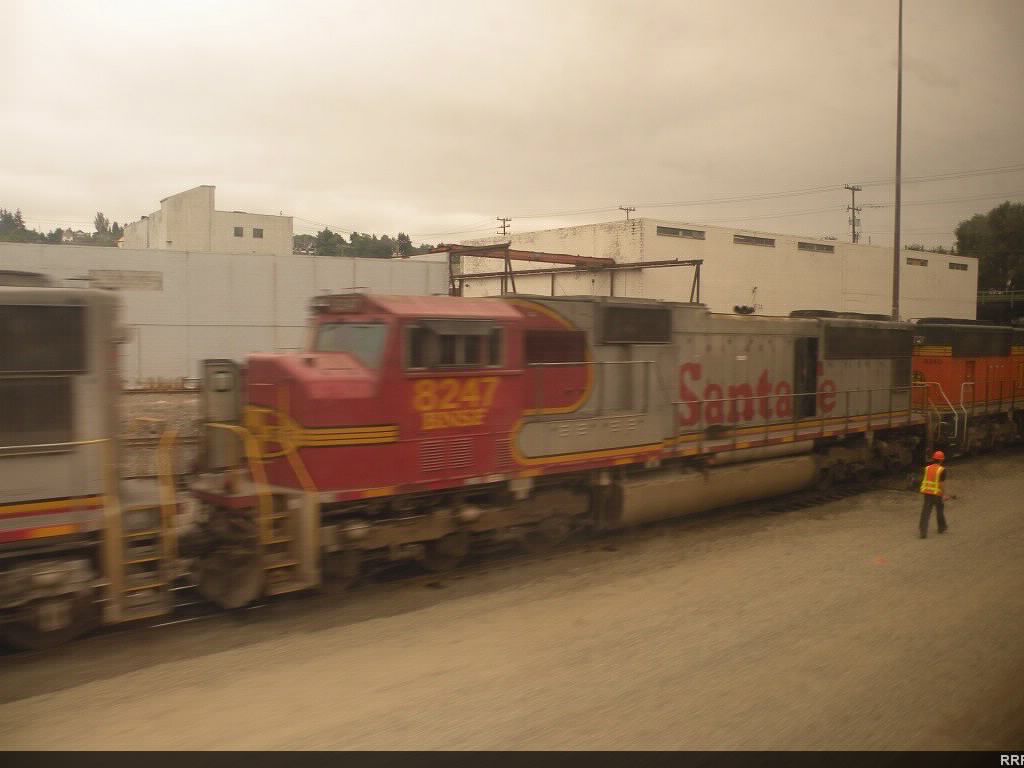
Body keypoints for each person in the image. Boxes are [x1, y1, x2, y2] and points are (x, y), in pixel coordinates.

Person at [919, 450, 949, 539]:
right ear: (941, 460)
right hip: (937, 494)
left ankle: (923, 531)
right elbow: (941, 483)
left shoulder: (927, 468)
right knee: (939, 511)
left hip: (927, 493)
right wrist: (944, 494)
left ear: (933, 459)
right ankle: (941, 528)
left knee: (925, 512)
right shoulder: (942, 470)